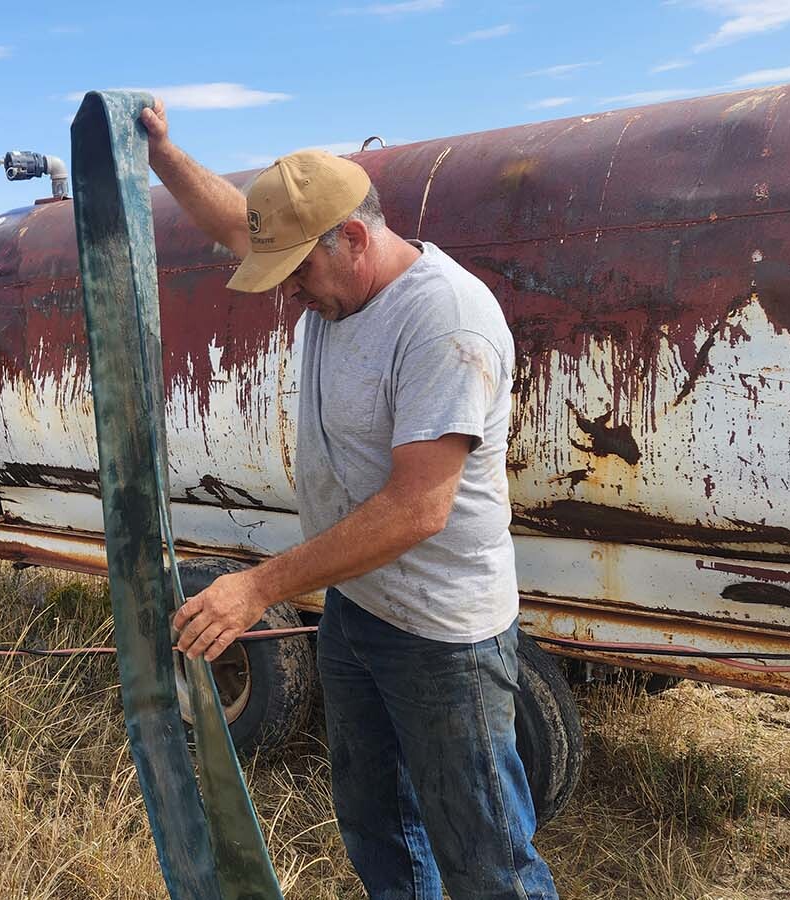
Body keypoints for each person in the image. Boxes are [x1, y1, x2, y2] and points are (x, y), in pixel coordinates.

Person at [143, 98, 558, 900]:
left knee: (485, 857)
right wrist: (164, 153)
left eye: (299, 273)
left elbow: (417, 510)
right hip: (359, 612)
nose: (292, 291)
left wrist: (260, 586)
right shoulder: (331, 270)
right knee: (379, 831)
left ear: (357, 239)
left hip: (445, 640)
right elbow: (241, 224)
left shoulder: (446, 323)